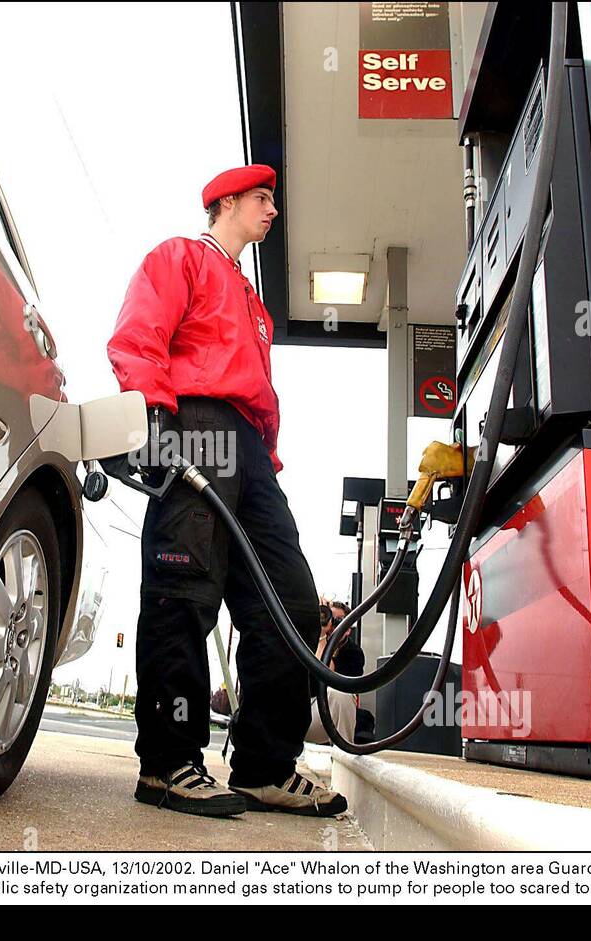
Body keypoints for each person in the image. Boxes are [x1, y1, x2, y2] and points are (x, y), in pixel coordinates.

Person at [107, 164, 347, 818]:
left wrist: (261, 461)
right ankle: (168, 762)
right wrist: (153, 413)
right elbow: (139, 333)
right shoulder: (181, 257)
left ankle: (266, 766)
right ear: (227, 202)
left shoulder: (251, 299)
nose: (272, 210)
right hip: (194, 424)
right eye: (263, 199)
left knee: (290, 600)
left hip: (250, 452)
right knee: (184, 587)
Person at [305, 602, 366, 745]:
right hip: (304, 713)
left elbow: (331, 680)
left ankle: (343, 755)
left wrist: (323, 643)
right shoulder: (306, 643)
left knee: (341, 695)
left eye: (338, 621)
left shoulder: (353, 653)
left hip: (329, 715)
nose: (332, 625)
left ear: (348, 629)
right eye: (329, 618)